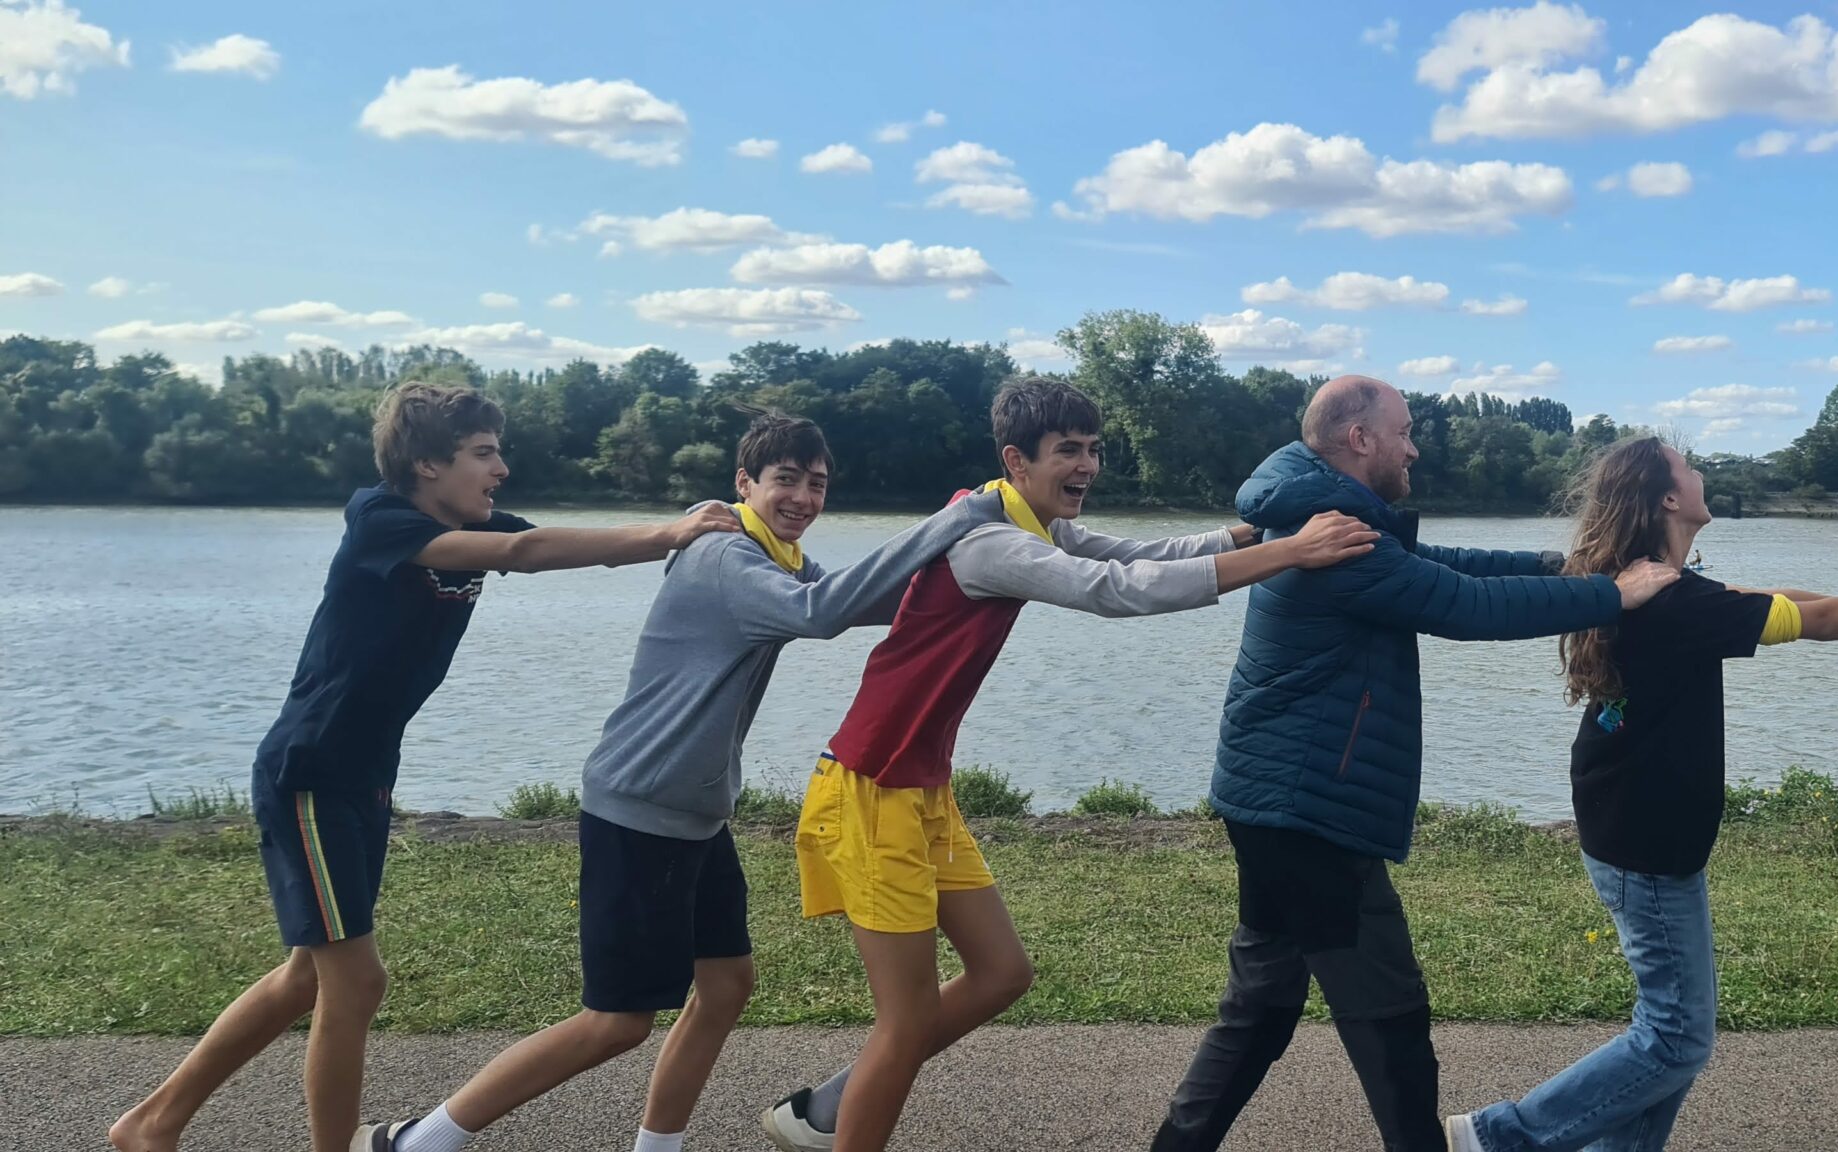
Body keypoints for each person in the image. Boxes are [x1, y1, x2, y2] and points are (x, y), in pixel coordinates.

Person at [108, 382, 739, 1152]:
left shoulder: (471, 523)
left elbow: (553, 546)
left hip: (364, 777)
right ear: (426, 464)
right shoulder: (384, 521)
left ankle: (152, 1120)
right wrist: (668, 532)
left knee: (309, 975)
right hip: (312, 774)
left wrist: (704, 541)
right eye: (483, 453)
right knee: (356, 981)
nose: (500, 468)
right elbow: (522, 553)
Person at [355, 413, 1008, 1152]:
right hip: (641, 808)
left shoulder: (780, 558)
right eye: (784, 480)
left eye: (816, 484)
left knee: (726, 986)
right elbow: (821, 615)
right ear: (744, 484)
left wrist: (982, 569)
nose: (801, 497)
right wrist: (953, 519)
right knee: (616, 1022)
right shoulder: (727, 557)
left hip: (693, 814)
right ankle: (419, 1141)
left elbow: (869, 602)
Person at [758, 378, 1378, 1152]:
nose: (1086, 466)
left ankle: (825, 1114)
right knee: (908, 1017)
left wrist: (1245, 536)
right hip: (868, 789)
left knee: (1000, 975)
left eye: (1094, 450)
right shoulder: (987, 541)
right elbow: (1112, 590)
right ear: (1017, 460)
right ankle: (841, 1130)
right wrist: (1294, 552)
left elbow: (1131, 553)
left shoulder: (1023, 516)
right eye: (1068, 452)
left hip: (921, 793)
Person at [1441, 437, 1838, 1152]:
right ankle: (1500, 1137)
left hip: (1634, 824)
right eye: (1690, 469)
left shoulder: (1660, 582)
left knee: (1668, 1035)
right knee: (1675, 1040)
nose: (1703, 475)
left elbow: (1785, 600)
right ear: (1668, 497)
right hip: (1646, 837)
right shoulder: (1676, 600)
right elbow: (1815, 623)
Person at [1149, 375, 1680, 1152]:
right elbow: (1463, 605)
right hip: (1312, 813)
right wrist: (1612, 594)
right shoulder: (1334, 539)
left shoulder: (1328, 518)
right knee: (1390, 1024)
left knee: (1260, 1008)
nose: (1415, 445)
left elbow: (1442, 565)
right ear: (1359, 440)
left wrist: (1558, 566)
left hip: (1275, 802)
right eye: (1403, 431)